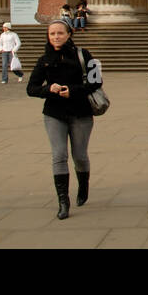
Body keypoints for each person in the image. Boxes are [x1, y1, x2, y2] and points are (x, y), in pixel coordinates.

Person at [27, 16, 100, 219]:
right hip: (54, 113)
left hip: (81, 112)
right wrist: (48, 89)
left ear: (69, 34)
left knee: (80, 155)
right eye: (52, 34)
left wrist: (74, 91)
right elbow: (31, 88)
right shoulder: (44, 60)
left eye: (60, 33)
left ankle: (83, 186)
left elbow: (96, 82)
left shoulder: (84, 55)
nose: (56, 37)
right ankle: (63, 200)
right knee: (59, 155)